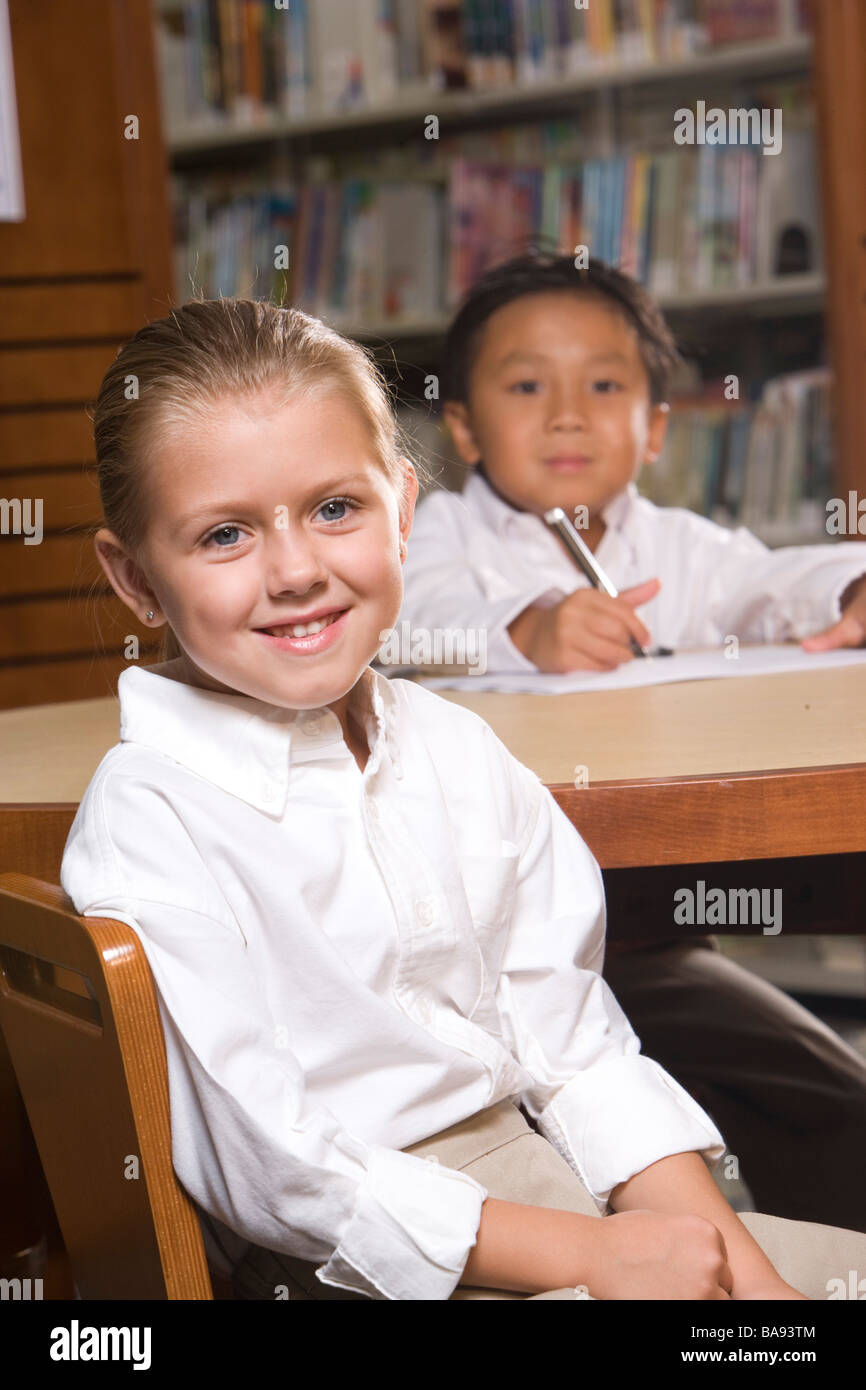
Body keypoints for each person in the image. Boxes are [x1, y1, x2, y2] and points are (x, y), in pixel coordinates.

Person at [61, 297, 866, 1301]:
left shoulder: (457, 751)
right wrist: (595, 1257)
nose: (297, 568)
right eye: (225, 534)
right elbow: (280, 1172)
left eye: (334, 509)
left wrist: (743, 1283)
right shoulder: (151, 818)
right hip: (345, 1260)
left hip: (537, 1183)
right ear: (135, 578)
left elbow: (579, 1056)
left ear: (402, 506)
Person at [397, 250, 866, 1234]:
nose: (566, 413)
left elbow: (768, 585)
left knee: (833, 1102)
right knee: (544, 1177)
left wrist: (841, 589)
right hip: (466, 976)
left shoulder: (679, 543)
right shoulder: (434, 535)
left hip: (635, 942)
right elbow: (411, 614)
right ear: (464, 426)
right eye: (526, 385)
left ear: (655, 425)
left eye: (603, 385)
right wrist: (526, 623)